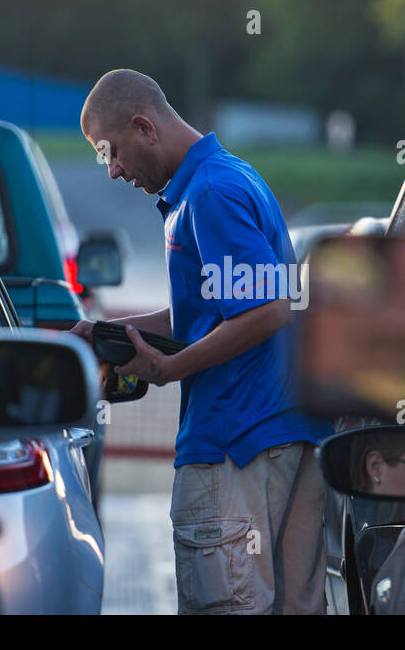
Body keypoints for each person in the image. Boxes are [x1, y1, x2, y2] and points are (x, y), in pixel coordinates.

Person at [69, 69, 333, 614]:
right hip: (282, 438)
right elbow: (202, 312)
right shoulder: (227, 178)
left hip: (234, 447)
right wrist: (103, 333)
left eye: (111, 152)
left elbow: (266, 310)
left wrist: (169, 370)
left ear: (144, 127)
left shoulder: (209, 194)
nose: (113, 170)